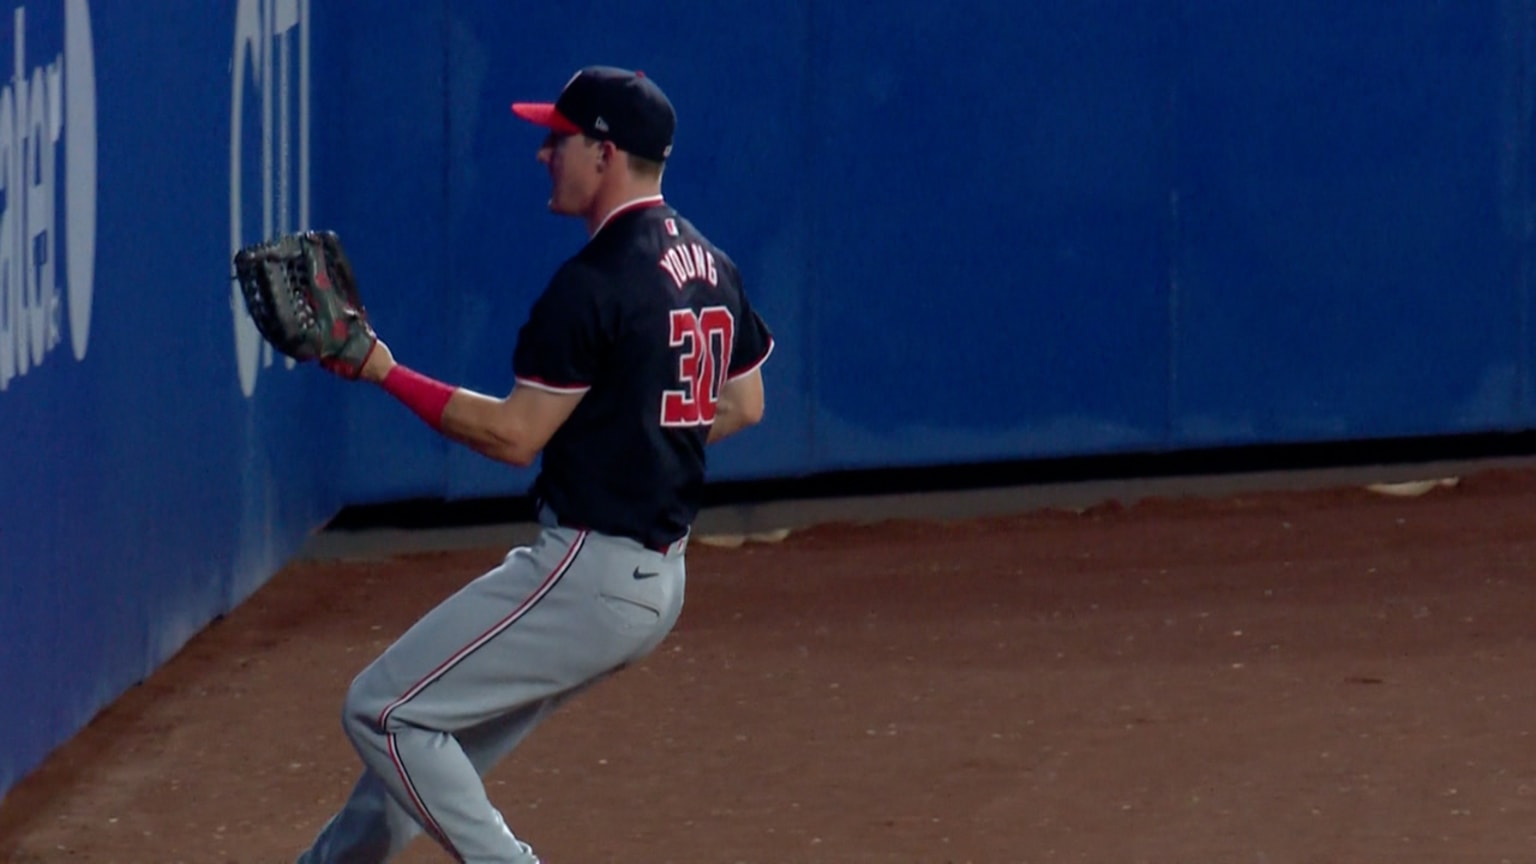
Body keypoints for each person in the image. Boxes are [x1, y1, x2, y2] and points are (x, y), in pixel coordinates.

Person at [295, 65, 774, 864]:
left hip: (589, 574)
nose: (543, 153)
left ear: (604, 152)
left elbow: (516, 436)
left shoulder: (594, 284)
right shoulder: (711, 263)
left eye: (557, 139)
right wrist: (639, 442)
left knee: (382, 711)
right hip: (657, 581)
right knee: (424, 745)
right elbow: (745, 403)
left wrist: (381, 368)